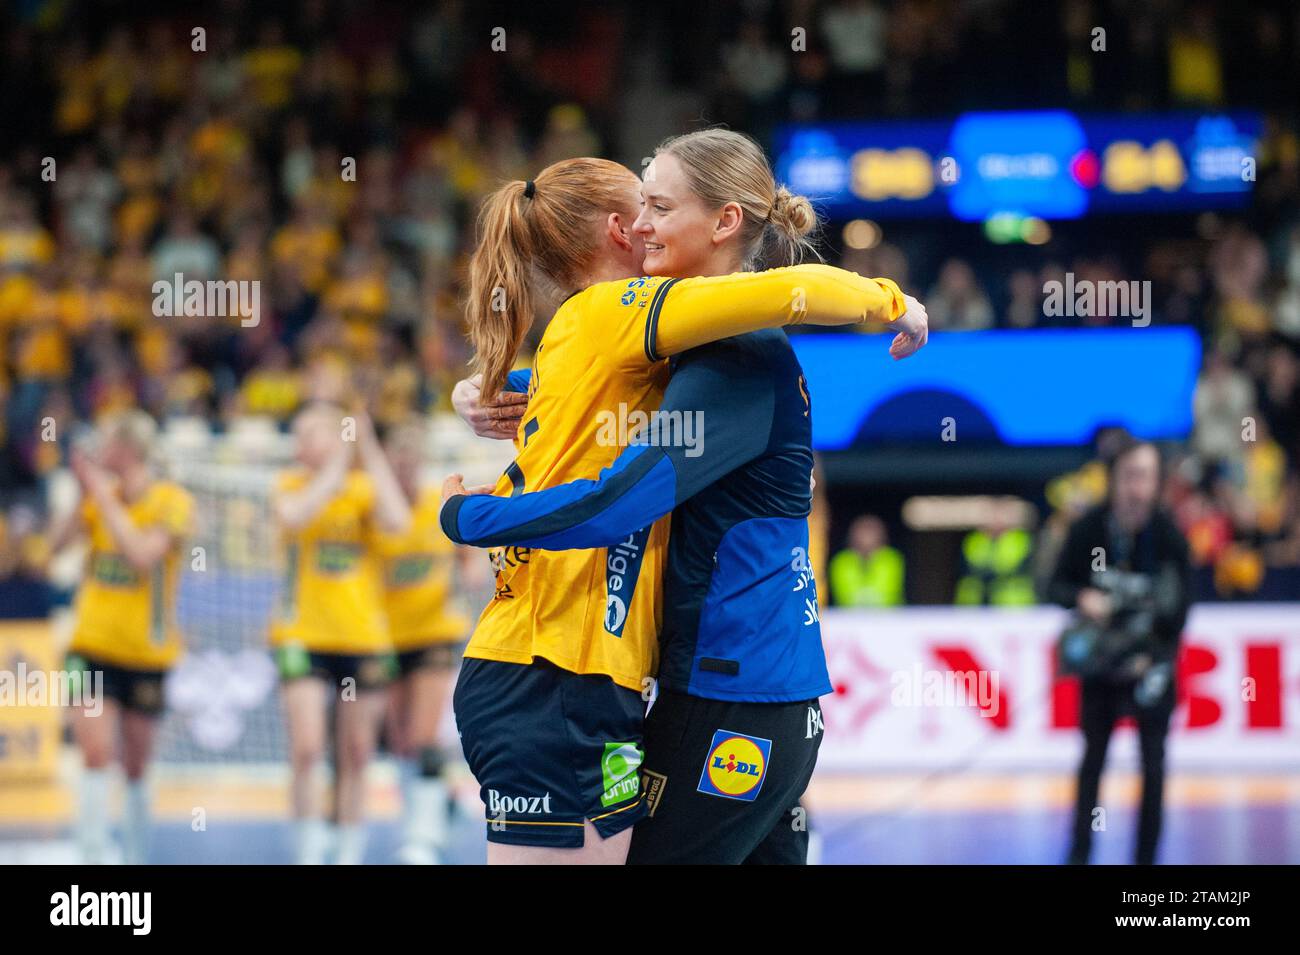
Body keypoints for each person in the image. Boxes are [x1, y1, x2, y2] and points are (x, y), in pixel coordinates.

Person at [443, 130, 927, 863]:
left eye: (659, 206)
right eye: (639, 207)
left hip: (730, 700)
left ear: (725, 222)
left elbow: (617, 498)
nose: (642, 224)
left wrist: (468, 514)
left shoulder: (733, 356)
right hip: (746, 695)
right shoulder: (685, 351)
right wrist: (490, 393)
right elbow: (587, 389)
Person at [269, 403, 410, 864]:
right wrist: (337, 462)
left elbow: (399, 522)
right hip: (300, 634)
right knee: (307, 748)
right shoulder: (288, 485)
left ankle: (348, 853)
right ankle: (308, 853)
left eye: (308, 434)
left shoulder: (362, 490)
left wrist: (366, 448)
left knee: (356, 753)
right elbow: (296, 517)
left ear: (335, 437)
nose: (297, 445)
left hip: (362, 636)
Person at [54, 409, 195, 864]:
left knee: (136, 764)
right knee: (95, 753)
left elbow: (139, 554)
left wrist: (99, 493)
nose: (99, 448)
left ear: (128, 449)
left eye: (108, 440)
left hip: (146, 653)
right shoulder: (98, 498)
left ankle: (135, 856)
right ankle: (91, 857)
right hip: (91, 646)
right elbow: (52, 548)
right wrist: (81, 496)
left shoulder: (172, 502)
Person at [1046, 435, 1192, 865]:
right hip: (1101, 668)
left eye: (1144, 477)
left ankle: (1146, 860)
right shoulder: (1087, 528)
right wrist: (1082, 598)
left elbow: (1182, 610)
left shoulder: (1169, 537)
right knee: (1092, 762)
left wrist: (1153, 654)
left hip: (1152, 666)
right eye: (1128, 476)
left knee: (1153, 767)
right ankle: (1079, 854)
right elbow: (1054, 587)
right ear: (1113, 480)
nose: (1135, 488)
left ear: (1157, 483)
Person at [372, 419, 470, 864]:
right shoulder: (378, 512)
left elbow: (467, 558)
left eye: (413, 461)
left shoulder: (438, 503)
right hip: (388, 636)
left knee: (423, 735)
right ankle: (429, 811)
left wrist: (461, 580)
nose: (405, 468)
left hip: (435, 631)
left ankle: (423, 839)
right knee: (399, 741)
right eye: (398, 460)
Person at [829, 514, 905, 607]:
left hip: (890, 619)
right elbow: (846, 598)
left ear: (882, 534)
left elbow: (887, 597)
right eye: (862, 531)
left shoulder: (891, 558)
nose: (867, 536)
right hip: (848, 619)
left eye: (871, 530)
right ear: (852, 535)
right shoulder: (841, 560)